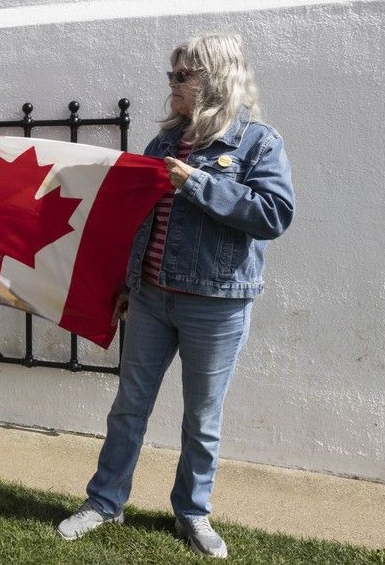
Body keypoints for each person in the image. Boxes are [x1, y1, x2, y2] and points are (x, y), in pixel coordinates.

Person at [56, 33, 294, 559]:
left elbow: (274, 215)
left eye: (182, 75)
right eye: (172, 74)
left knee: (202, 419)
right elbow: (138, 218)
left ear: (214, 79)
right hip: (150, 298)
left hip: (216, 303)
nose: (172, 84)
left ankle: (193, 514)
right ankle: (104, 502)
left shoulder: (257, 142)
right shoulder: (164, 143)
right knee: (128, 407)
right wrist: (126, 283)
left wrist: (200, 185)